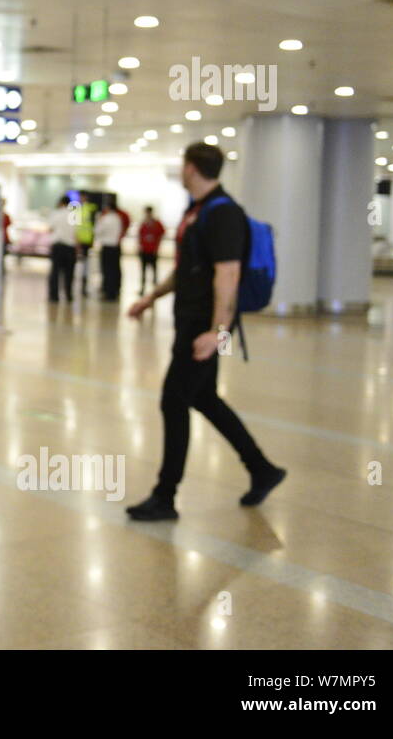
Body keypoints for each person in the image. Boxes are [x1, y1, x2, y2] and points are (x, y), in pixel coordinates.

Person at [125, 142, 286, 520]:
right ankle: (262, 469)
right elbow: (187, 270)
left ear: (193, 168)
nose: (181, 171)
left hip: (210, 328)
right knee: (205, 398)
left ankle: (165, 496)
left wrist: (217, 333)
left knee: (173, 400)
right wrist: (151, 298)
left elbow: (227, 275)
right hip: (196, 324)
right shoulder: (198, 211)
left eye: (183, 165)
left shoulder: (224, 213)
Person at [47, 194, 76, 303]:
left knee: (55, 272)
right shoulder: (73, 215)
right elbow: (75, 233)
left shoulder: (55, 214)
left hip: (58, 246)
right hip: (70, 247)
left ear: (60, 203)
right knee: (69, 273)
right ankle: (68, 295)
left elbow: (50, 229)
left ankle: (54, 296)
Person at [96, 197, 123, 301]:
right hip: (115, 247)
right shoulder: (117, 218)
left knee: (107, 271)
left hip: (107, 247)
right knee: (115, 270)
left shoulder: (105, 219)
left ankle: (108, 292)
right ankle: (114, 291)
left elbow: (98, 231)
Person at [138, 206, 165, 293]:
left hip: (153, 250)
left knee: (154, 270)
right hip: (144, 250)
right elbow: (140, 236)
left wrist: (157, 247)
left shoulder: (157, 223)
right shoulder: (143, 224)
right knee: (143, 270)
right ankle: (142, 288)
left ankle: (155, 289)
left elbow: (161, 234)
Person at [75, 192, 95, 297]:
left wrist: (92, 239)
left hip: (86, 241)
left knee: (86, 265)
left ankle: (84, 286)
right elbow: (72, 226)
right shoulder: (75, 208)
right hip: (76, 241)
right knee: (77, 264)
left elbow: (93, 225)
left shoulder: (91, 208)